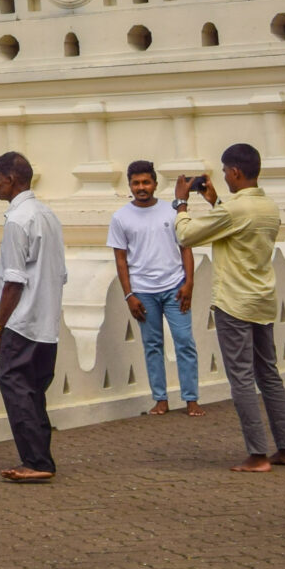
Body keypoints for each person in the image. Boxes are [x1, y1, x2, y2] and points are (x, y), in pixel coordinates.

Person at [176, 143, 285, 473]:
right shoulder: (269, 207)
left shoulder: (234, 210)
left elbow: (186, 235)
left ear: (234, 172)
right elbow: (234, 226)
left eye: (225, 172)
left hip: (233, 302)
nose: (224, 177)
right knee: (269, 376)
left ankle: (258, 454)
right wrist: (215, 201)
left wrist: (181, 202)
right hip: (261, 299)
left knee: (242, 379)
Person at [0, 151, 67, 482]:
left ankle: (35, 461)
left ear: (10, 179)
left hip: (22, 321)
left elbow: (13, 282)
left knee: (16, 388)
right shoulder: (47, 215)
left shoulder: (19, 220)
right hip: (46, 321)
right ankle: (40, 459)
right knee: (33, 391)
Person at [111, 161, 200, 417]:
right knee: (152, 345)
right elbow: (120, 260)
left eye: (146, 182)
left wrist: (189, 283)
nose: (141, 187)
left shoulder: (171, 212)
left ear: (155, 184)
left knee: (184, 342)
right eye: (136, 183)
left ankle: (191, 399)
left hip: (175, 288)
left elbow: (186, 247)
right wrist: (129, 295)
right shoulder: (121, 218)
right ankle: (160, 399)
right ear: (129, 185)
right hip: (142, 292)